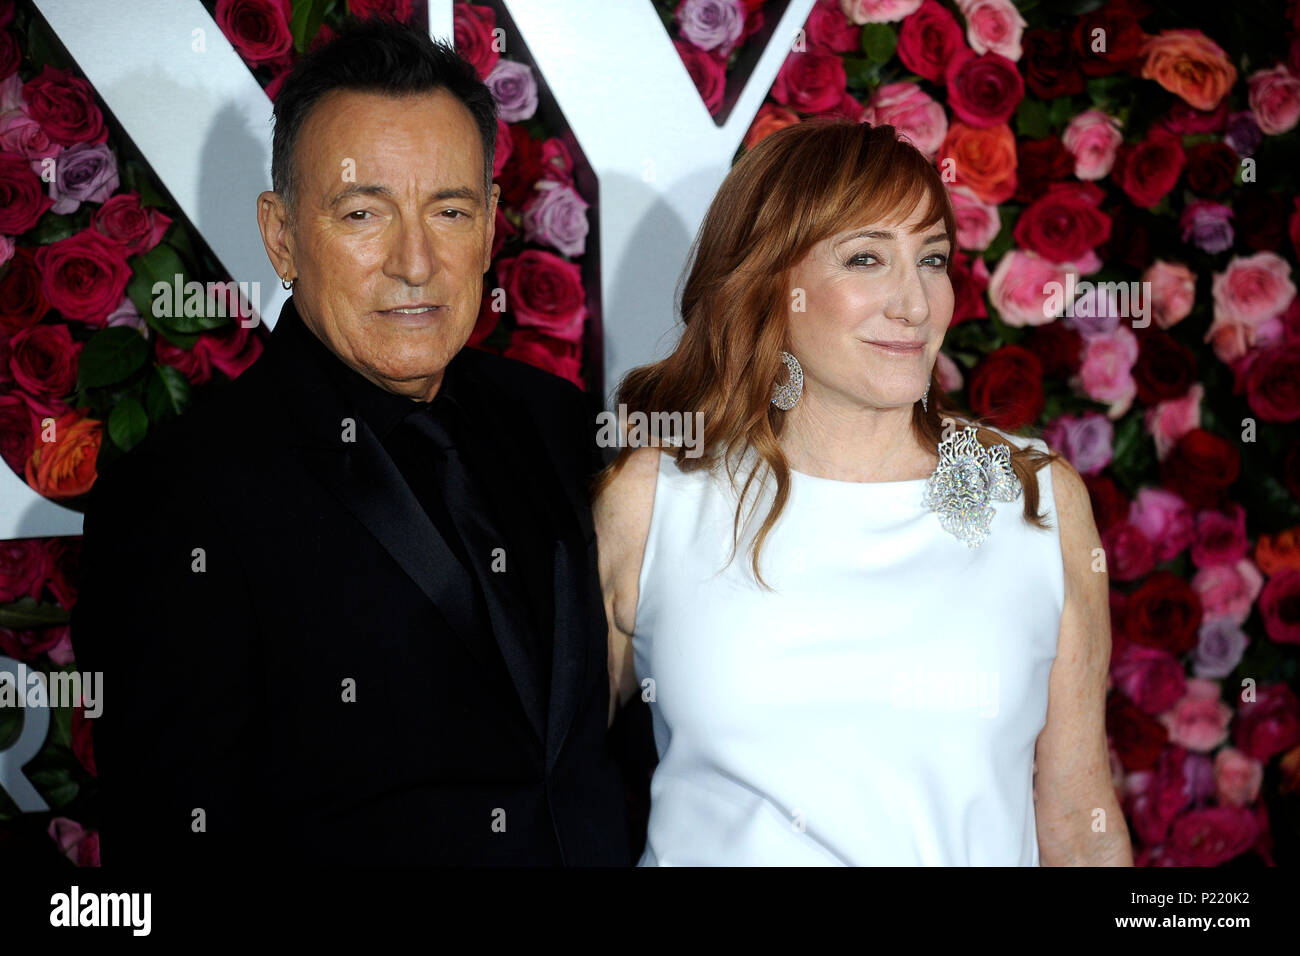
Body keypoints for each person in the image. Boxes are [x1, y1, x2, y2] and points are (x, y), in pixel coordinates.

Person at [71, 17, 631, 866]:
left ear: (487, 229)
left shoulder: (556, 423)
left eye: (449, 209)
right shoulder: (180, 499)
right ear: (283, 235)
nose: (414, 262)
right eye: (363, 212)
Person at [595, 120, 1133, 866]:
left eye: (933, 259)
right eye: (867, 259)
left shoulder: (1033, 501)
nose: (915, 303)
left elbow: (1078, 817)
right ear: (771, 282)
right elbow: (544, 780)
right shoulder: (655, 500)